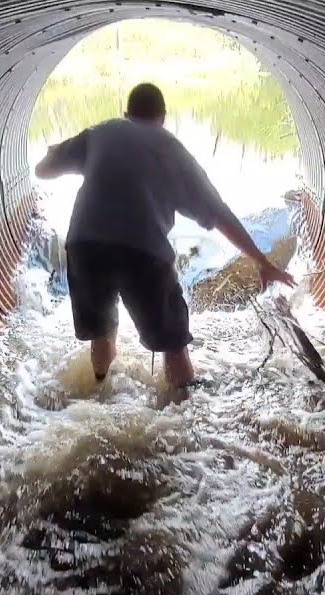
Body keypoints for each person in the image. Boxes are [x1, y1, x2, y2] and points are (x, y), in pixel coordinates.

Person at [34, 82, 296, 389]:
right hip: (143, 252)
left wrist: (61, 155)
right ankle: (182, 409)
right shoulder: (172, 151)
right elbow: (219, 214)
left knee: (102, 333)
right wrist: (261, 261)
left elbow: (43, 171)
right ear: (163, 117)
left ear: (126, 114)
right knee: (173, 344)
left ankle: (100, 392)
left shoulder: (101, 133)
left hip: (85, 246)